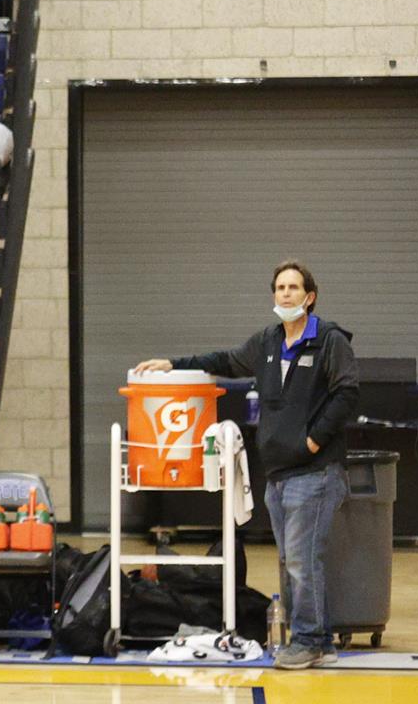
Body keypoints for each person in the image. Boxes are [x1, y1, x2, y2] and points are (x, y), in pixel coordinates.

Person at [136, 260, 360, 670]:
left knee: (301, 560)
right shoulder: (268, 342)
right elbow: (224, 359)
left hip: (316, 472)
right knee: (294, 560)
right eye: (280, 288)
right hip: (278, 474)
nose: (286, 294)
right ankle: (318, 639)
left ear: (310, 297)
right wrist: (173, 364)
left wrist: (312, 440)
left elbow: (347, 394)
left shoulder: (330, 342)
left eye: (294, 288)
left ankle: (308, 641)